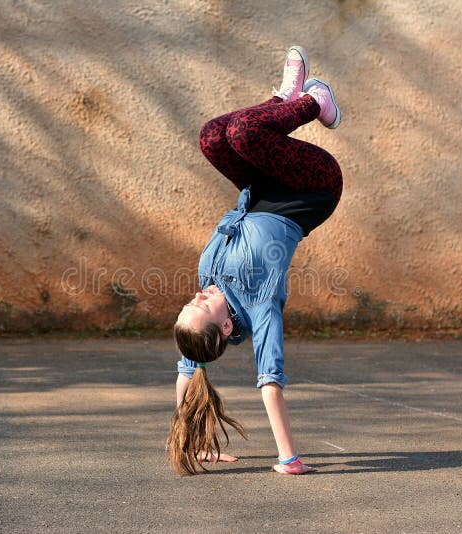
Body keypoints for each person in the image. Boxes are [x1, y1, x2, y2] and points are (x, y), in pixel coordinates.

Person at [167, 46, 343, 476]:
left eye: (188, 303)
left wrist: (195, 443)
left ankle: (288, 96)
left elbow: (191, 372)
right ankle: (313, 103)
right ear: (227, 326)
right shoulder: (260, 304)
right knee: (245, 132)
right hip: (311, 189)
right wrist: (288, 458)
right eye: (201, 307)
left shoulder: (209, 280)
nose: (197, 295)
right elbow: (270, 382)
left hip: (263, 186)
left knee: (213, 135)